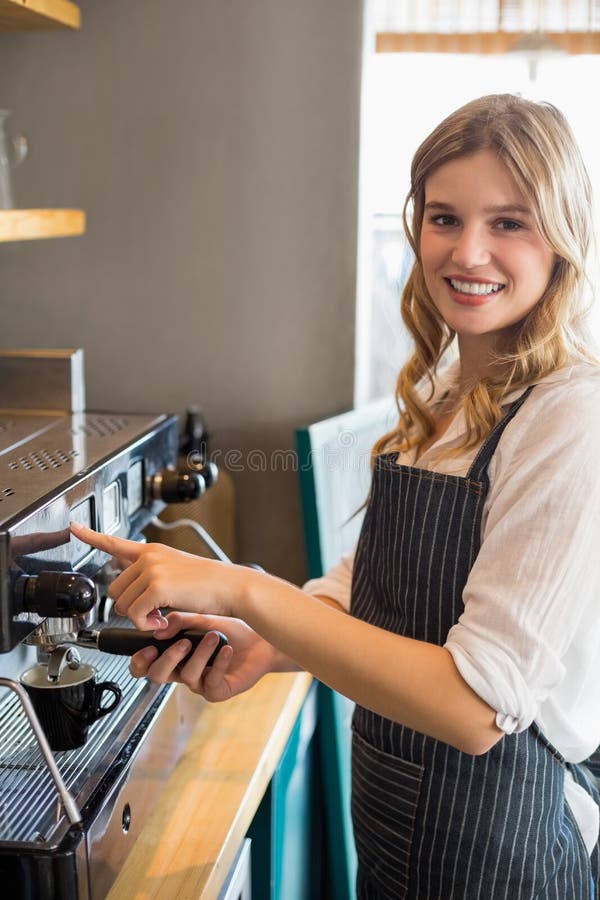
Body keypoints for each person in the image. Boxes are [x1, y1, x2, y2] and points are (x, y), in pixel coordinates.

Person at [71, 93, 600, 899]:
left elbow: (473, 708)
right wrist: (264, 641)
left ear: (563, 238)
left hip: (505, 853)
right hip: (398, 836)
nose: (469, 252)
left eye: (510, 223)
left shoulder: (571, 413)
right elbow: (377, 590)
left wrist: (245, 588)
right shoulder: (451, 386)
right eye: (445, 217)